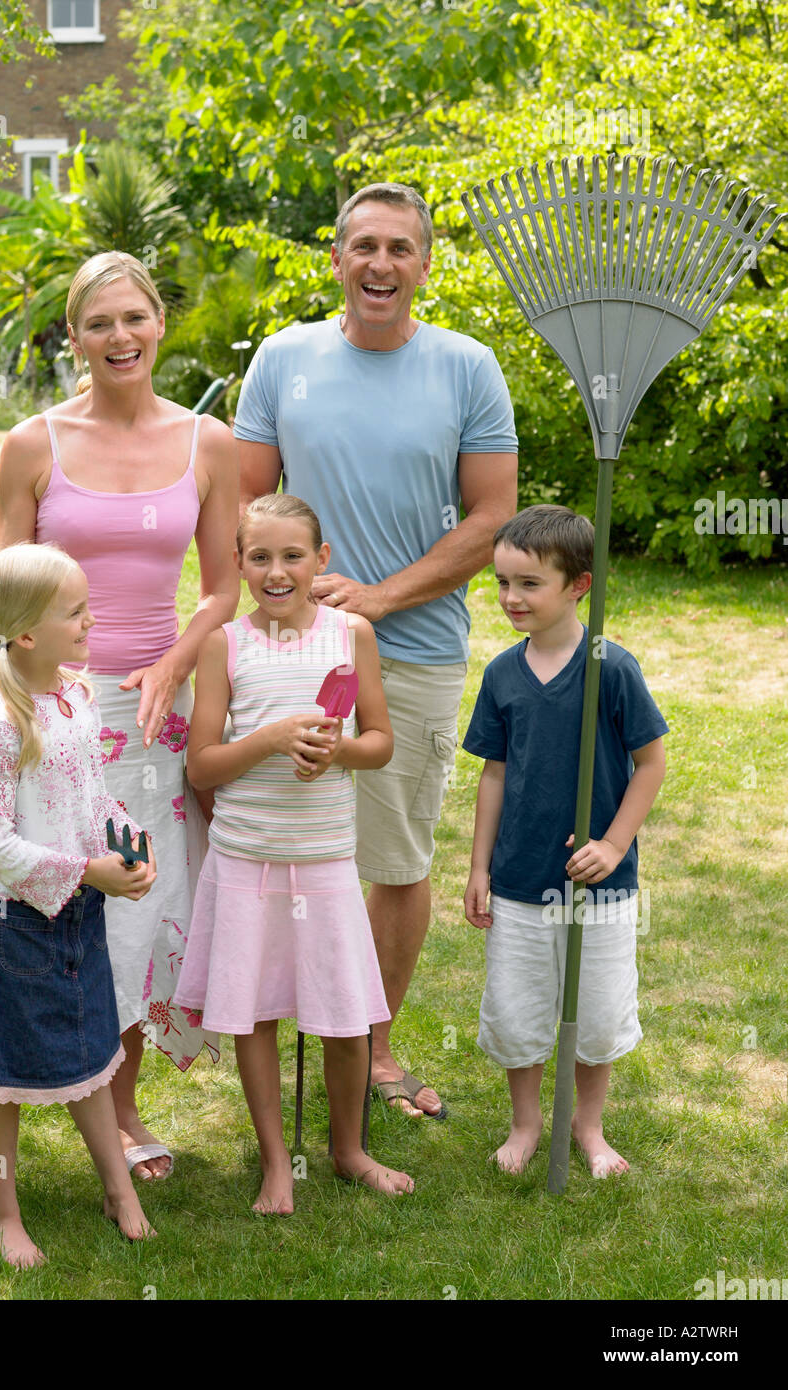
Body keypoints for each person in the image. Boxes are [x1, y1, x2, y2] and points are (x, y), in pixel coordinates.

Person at [0, 251, 240, 1208]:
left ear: (159, 323)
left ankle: (120, 1115)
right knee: (7, 908)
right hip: (39, 713)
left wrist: (177, 659)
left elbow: (222, 588)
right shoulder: (32, 444)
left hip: (147, 719)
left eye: (134, 318)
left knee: (125, 913)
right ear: (75, 337)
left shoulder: (207, 442)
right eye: (99, 324)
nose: (120, 338)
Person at [235, 182, 519, 1118]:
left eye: (399, 248)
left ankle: (378, 1047)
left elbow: (492, 517)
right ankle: (277, 1030)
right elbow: (241, 512)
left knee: (394, 860)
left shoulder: (467, 367)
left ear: (425, 263)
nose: (380, 265)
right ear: (336, 259)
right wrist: (278, 601)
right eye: (363, 247)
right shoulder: (283, 360)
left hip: (418, 653)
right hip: (287, 654)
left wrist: (378, 599)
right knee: (281, 846)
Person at [177, 494, 413, 1213]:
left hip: (323, 858)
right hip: (247, 859)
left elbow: (379, 743)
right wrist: (272, 739)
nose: (276, 572)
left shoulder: (351, 634)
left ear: (321, 561)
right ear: (239, 563)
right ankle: (276, 1160)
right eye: (259, 557)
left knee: (344, 1015)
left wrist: (337, 749)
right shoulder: (224, 643)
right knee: (255, 1014)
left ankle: (348, 1150)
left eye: (291, 557)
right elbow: (202, 766)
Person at [0, 544, 158, 1267]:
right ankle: (4, 1212)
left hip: (75, 917)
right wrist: (84, 871)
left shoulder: (75, 695)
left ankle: (116, 1189)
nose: (90, 620)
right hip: (13, 927)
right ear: (28, 633)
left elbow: (89, 796)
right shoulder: (0, 727)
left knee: (89, 1049)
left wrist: (126, 840)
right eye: (76, 612)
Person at [462, 505, 668, 1177]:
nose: (510, 598)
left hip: (596, 884)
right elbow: (493, 775)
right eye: (501, 583)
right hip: (519, 875)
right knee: (518, 1010)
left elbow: (650, 762)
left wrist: (611, 844)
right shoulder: (499, 674)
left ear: (578, 585)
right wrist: (478, 868)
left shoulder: (611, 668)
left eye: (528, 584)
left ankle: (588, 1127)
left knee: (597, 1011)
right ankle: (525, 1125)